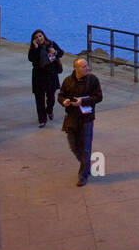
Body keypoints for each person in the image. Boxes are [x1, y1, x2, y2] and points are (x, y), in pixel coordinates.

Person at [58, 56, 103, 186]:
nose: (87, 68)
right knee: (73, 145)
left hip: (86, 118)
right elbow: (61, 95)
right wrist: (64, 101)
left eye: (87, 65)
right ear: (76, 68)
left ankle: (83, 175)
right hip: (71, 118)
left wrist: (83, 101)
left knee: (85, 147)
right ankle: (86, 164)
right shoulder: (68, 81)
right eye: (83, 66)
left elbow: (99, 97)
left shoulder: (93, 80)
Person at [28, 29, 64, 127]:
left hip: (50, 75)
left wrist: (55, 52)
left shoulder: (51, 44)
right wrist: (36, 48)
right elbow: (31, 58)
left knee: (51, 98)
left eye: (40, 36)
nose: (39, 38)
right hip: (38, 76)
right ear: (34, 40)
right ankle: (42, 119)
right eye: (36, 37)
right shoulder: (34, 48)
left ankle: (49, 110)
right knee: (39, 99)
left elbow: (61, 53)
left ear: (43, 35)